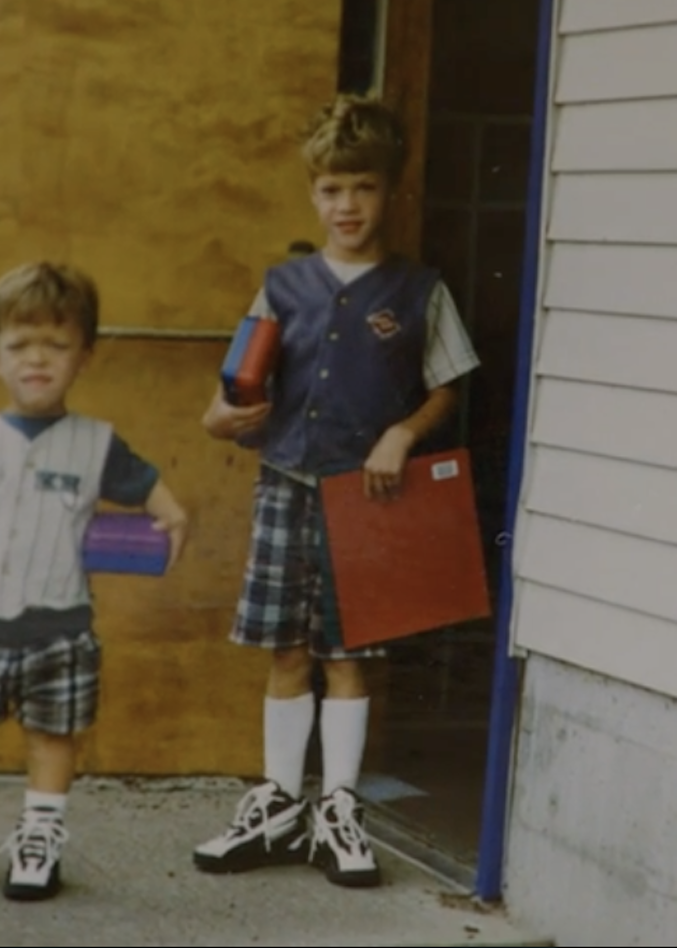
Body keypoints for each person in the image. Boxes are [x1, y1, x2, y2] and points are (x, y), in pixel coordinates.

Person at [193, 93, 479, 887]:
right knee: (287, 649)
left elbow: (447, 387)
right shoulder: (282, 287)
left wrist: (403, 433)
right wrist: (223, 416)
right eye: (331, 189)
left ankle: (339, 808)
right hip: (286, 485)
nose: (347, 205)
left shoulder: (419, 291)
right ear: (312, 194)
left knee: (349, 656)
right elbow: (230, 395)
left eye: (363, 187)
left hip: (369, 501)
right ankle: (280, 802)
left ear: (392, 192)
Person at [0, 261, 188, 901]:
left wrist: (174, 516)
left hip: (60, 631)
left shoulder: (97, 444)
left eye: (57, 346)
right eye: (20, 346)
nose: (37, 359)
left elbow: (152, 491)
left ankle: (38, 841)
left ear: (84, 356)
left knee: (54, 739)